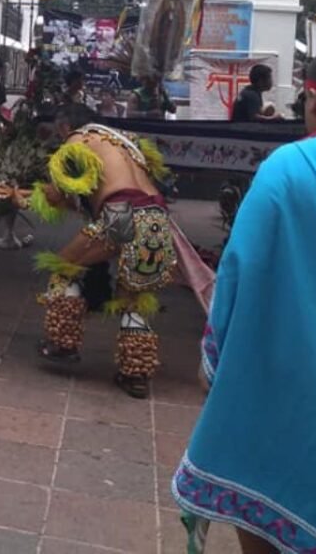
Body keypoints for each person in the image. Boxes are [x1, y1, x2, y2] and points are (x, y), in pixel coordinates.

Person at [173, 39, 316, 554]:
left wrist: (214, 363)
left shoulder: (289, 168)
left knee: (275, 518)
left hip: (296, 394)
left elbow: (240, 273)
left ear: (315, 100)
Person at [18, 103, 214, 399]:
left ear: (64, 127)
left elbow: (57, 194)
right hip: (156, 218)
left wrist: (21, 197)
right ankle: (135, 375)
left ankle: (63, 342)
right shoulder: (127, 141)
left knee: (64, 266)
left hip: (120, 213)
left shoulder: (78, 140)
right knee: (133, 297)